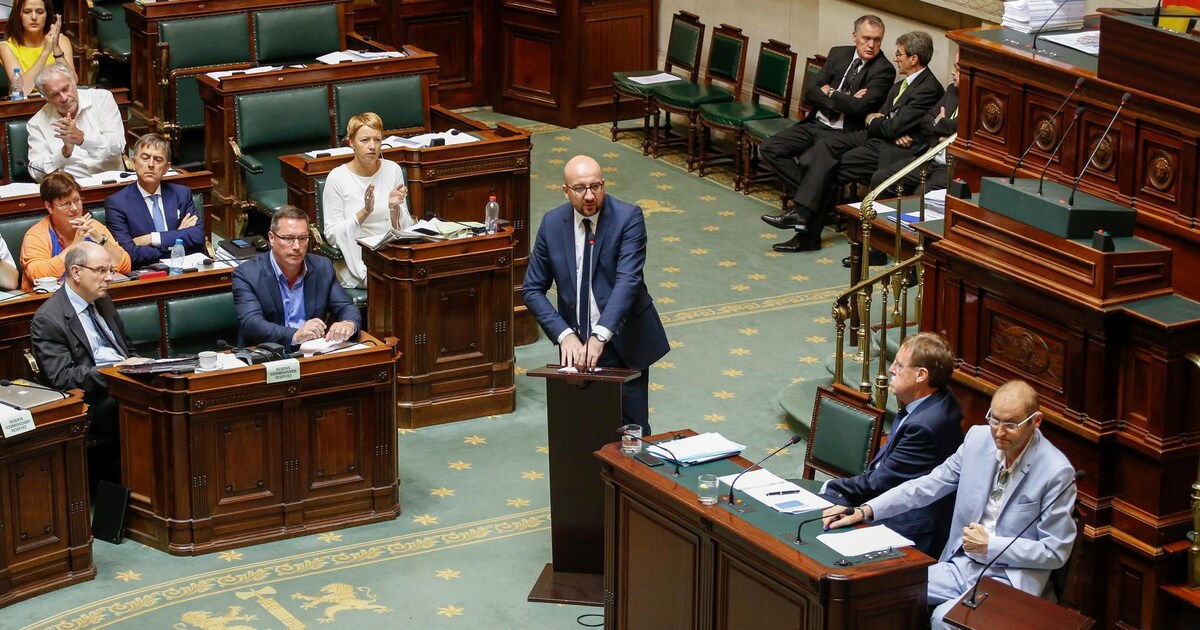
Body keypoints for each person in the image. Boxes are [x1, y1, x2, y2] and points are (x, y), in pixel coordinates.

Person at [823, 380, 1077, 629]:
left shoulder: (1056, 472)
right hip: (960, 565)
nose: (999, 433)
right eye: (994, 420)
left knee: (945, 619)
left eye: (1011, 425)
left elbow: (1055, 551)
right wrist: (866, 509)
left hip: (1008, 579)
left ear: (1035, 421)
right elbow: (927, 486)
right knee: (881, 590)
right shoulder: (978, 439)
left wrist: (990, 546)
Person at [522, 155, 670, 434]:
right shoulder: (552, 223)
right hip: (576, 347)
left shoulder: (628, 217)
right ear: (566, 191)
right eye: (580, 188)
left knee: (631, 431)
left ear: (603, 184)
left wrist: (600, 335)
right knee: (580, 429)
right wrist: (564, 335)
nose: (589, 196)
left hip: (624, 342)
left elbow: (628, 281)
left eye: (595, 186)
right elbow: (531, 289)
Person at [763, 32, 943, 252]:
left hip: (893, 149)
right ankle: (803, 216)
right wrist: (882, 123)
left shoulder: (928, 88)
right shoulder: (900, 85)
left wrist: (883, 124)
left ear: (913, 59)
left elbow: (889, 125)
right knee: (826, 150)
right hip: (875, 137)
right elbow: (879, 119)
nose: (896, 58)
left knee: (830, 169)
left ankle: (806, 230)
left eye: (899, 54)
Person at [818, 332, 963, 557]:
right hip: (889, 497)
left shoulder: (926, 426)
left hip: (909, 524)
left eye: (899, 365)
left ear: (921, 375)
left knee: (821, 533)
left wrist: (831, 488)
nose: (891, 369)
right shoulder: (931, 399)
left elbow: (880, 483)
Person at [30, 241, 147, 486]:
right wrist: (115, 373)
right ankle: (142, 487)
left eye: (110, 270)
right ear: (76, 272)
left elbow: (127, 349)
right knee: (143, 404)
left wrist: (141, 366)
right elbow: (61, 377)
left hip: (125, 381)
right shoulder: (49, 319)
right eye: (101, 271)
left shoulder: (102, 300)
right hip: (94, 399)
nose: (109, 278)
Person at [759, 15, 895, 209]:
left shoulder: (884, 70)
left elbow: (859, 108)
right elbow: (810, 93)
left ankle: (808, 205)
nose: (871, 45)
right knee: (770, 148)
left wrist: (830, 92)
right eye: (866, 38)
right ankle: (820, 201)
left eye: (877, 40)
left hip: (842, 133)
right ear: (854, 36)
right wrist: (844, 100)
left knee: (808, 163)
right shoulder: (838, 53)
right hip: (817, 122)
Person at [232, 205, 361, 348]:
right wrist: (295, 335)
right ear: (272, 238)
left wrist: (348, 324)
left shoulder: (322, 267)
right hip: (267, 353)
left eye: (303, 238)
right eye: (288, 238)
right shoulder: (247, 274)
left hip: (312, 351)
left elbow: (346, 307)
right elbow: (251, 324)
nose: (297, 246)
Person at [322, 112, 412, 289]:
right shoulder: (337, 177)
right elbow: (332, 235)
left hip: (391, 254)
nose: (372, 146)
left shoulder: (393, 170)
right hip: (356, 261)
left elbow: (405, 229)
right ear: (351, 142)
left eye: (377, 140)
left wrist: (394, 208)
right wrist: (365, 212)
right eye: (364, 140)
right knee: (397, 281)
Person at [104, 133, 205, 269]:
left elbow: (198, 237)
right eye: (145, 158)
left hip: (186, 267)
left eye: (158, 160)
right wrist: (177, 238)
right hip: (146, 272)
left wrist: (151, 238)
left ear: (166, 168)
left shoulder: (181, 194)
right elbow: (129, 253)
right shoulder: (117, 203)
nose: (151, 164)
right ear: (133, 163)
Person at [868, 52, 960, 196]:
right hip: (930, 158)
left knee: (920, 195)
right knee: (881, 178)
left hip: (951, 166)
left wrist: (940, 122)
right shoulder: (952, 90)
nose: (953, 72)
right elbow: (926, 121)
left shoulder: (980, 102)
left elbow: (960, 129)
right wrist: (940, 137)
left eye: (958, 68)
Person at [19, 171, 130, 291]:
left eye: (77, 200)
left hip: (94, 294)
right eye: (66, 204)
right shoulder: (36, 235)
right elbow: (38, 275)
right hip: (51, 299)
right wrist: (75, 246)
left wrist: (101, 241)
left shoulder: (93, 227)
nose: (75, 208)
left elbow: (125, 266)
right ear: (49, 207)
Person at [26, 63, 125, 181]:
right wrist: (64, 153)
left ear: (73, 82)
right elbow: (36, 172)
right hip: (71, 187)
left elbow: (118, 145)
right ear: (46, 98)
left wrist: (83, 140)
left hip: (112, 182)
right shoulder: (36, 123)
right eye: (55, 95)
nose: (64, 98)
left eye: (65, 89)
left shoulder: (102, 99)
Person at [0, 0, 75, 96]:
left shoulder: (61, 41)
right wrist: (46, 52)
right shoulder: (6, 47)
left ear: (47, 15)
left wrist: (56, 50)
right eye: (27, 12)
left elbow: (73, 81)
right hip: (28, 103)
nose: (34, 17)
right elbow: (21, 90)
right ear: (18, 15)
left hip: (59, 99)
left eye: (40, 12)